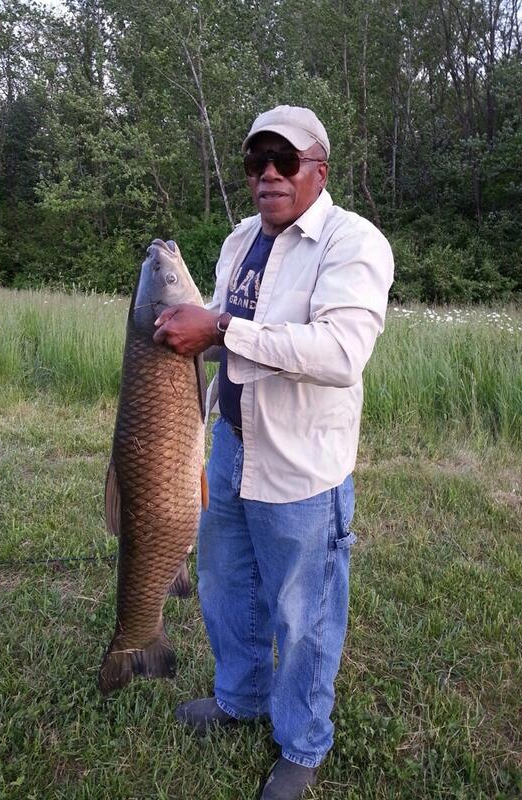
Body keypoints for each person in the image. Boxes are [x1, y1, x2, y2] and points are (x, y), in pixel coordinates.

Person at [153, 105, 394, 800]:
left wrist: (224, 327)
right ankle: (240, 697)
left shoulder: (352, 243)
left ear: (320, 168)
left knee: (304, 610)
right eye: (256, 163)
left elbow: (341, 353)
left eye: (284, 161)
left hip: (300, 466)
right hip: (229, 445)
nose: (268, 176)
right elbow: (206, 335)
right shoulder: (238, 240)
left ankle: (303, 745)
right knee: (227, 588)